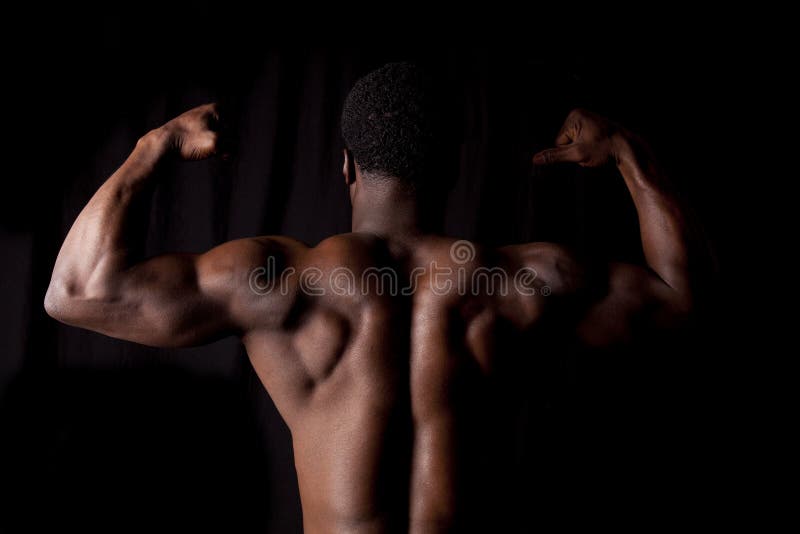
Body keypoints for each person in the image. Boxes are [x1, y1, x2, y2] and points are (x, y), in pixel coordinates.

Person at [45, 62, 702, 533]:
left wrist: (151, 149)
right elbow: (680, 297)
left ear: (348, 166)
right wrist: (627, 153)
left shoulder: (279, 280)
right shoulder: (519, 279)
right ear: (451, 165)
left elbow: (77, 292)